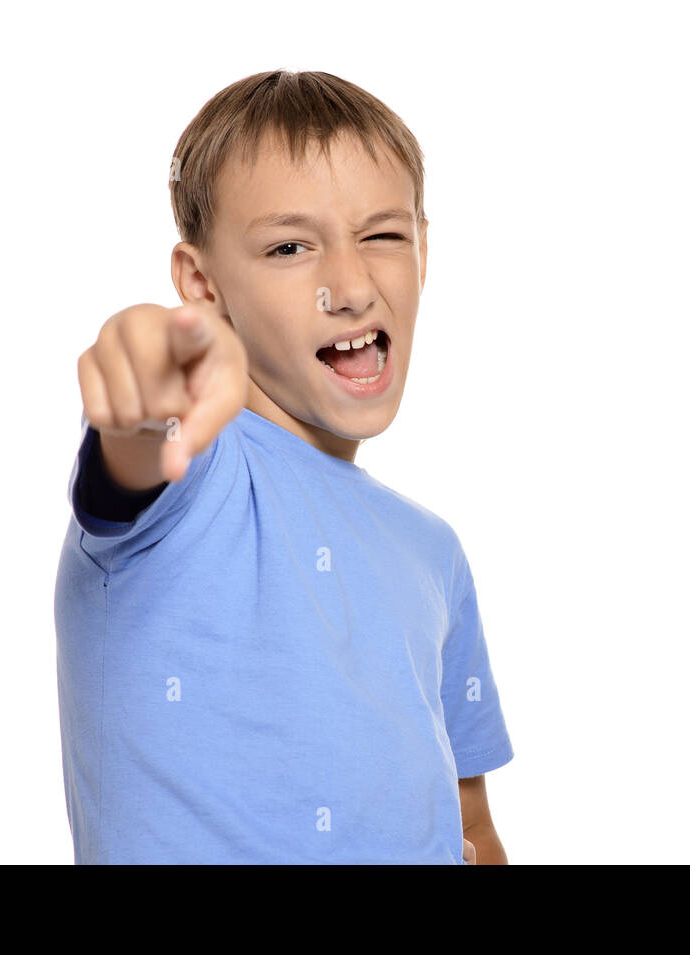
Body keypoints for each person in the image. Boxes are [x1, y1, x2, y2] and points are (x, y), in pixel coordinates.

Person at [54, 69, 513, 864]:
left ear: (424, 249)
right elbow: (135, 449)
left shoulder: (433, 551)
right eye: (290, 247)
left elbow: (473, 826)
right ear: (203, 287)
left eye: (381, 235)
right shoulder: (197, 475)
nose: (350, 285)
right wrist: (149, 372)